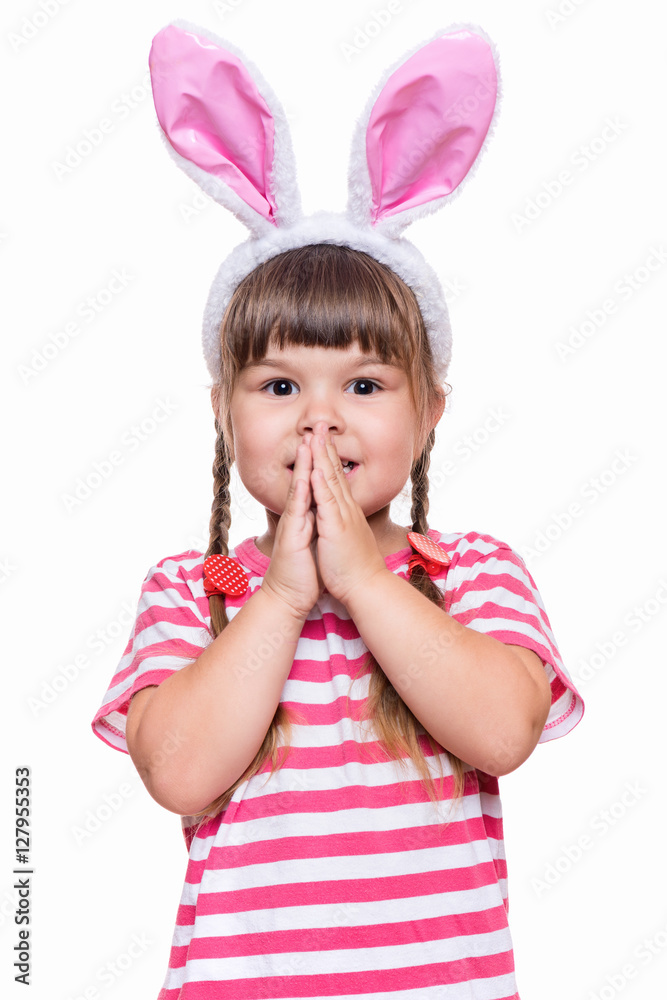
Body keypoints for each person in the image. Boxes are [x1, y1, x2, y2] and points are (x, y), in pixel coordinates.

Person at [91, 20, 584, 999]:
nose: (319, 416)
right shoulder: (200, 589)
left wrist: (361, 580)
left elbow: (502, 732)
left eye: (363, 385)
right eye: (278, 387)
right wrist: (279, 598)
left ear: (430, 411)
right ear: (225, 414)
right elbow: (179, 773)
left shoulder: (467, 572)